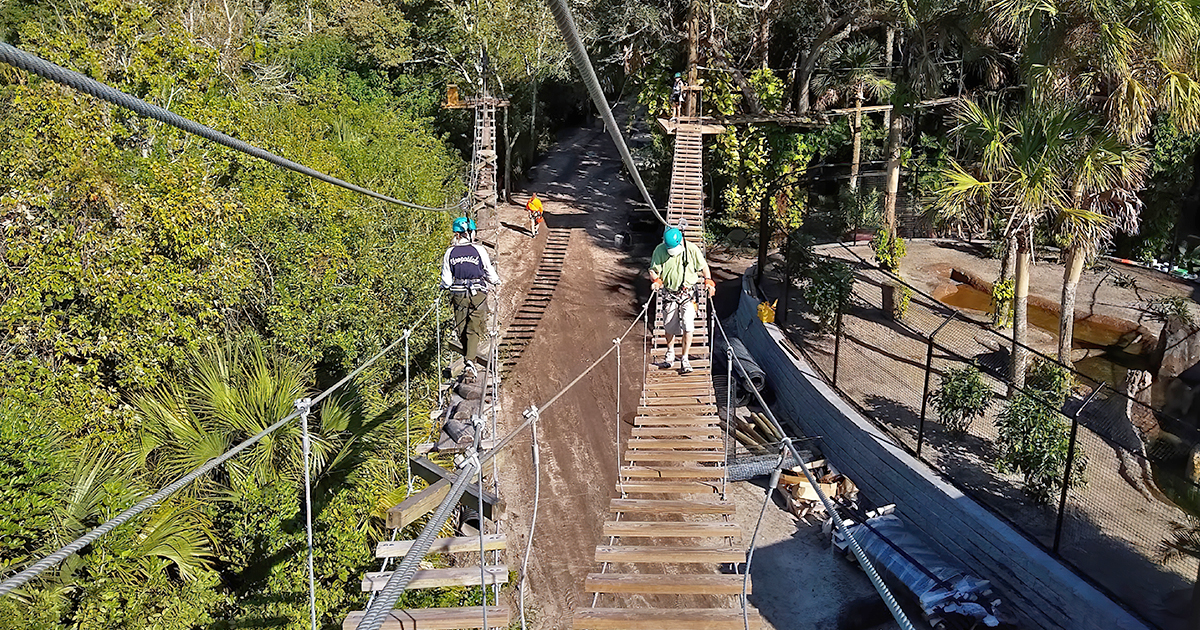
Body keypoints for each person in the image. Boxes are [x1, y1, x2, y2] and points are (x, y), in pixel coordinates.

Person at [441, 216, 501, 380]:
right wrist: (496, 282)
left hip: (459, 294)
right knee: (473, 328)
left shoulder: (450, 252)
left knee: (461, 328)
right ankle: (470, 361)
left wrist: (443, 287)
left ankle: (469, 360)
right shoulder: (479, 250)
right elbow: (489, 272)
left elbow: (447, 281)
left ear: (457, 234)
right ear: (469, 233)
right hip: (478, 294)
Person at [649, 227, 715, 374]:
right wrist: (656, 280)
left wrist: (708, 281)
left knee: (688, 325)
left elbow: (704, 266)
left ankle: (685, 358)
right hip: (670, 293)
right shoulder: (660, 250)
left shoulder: (691, 250)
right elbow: (653, 269)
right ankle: (670, 351)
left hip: (688, 294)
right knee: (669, 326)